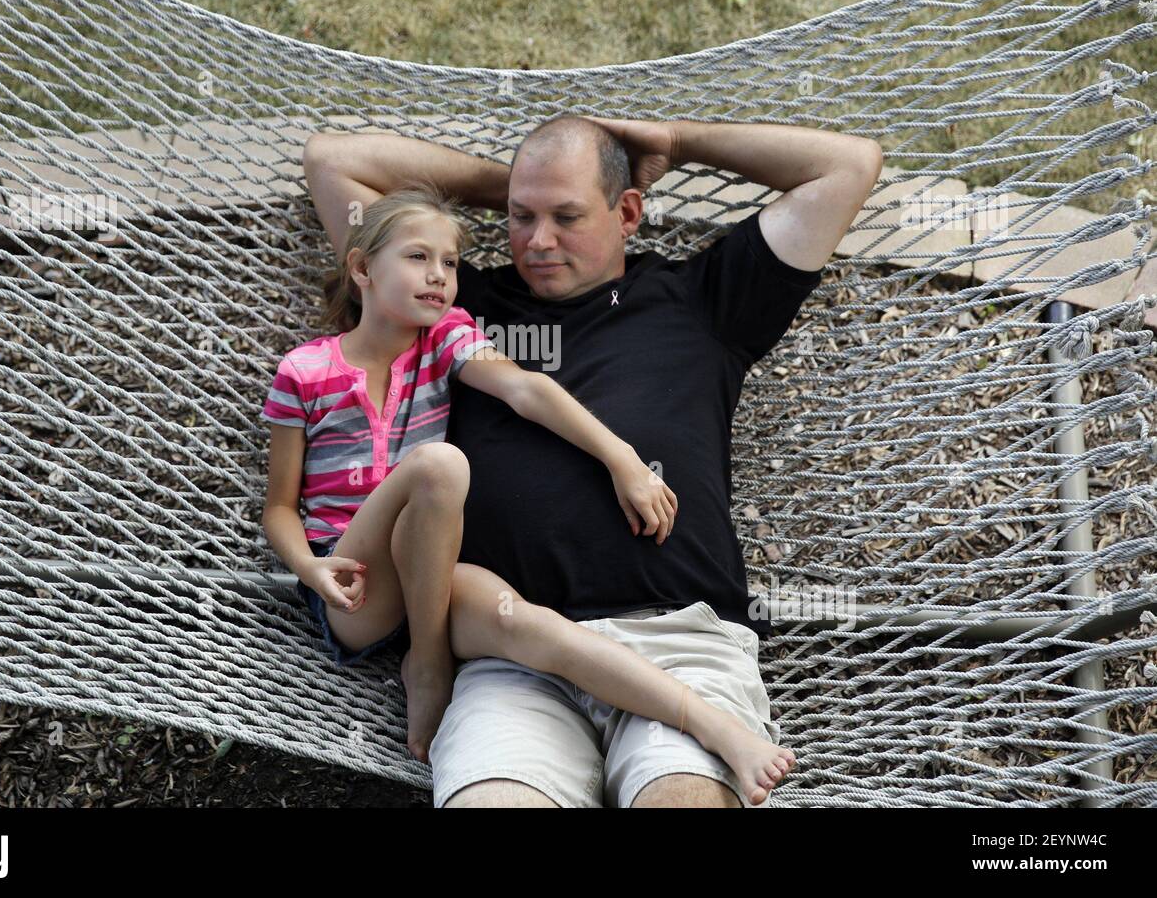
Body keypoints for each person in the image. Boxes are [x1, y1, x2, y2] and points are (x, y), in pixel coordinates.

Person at [302, 114, 883, 807]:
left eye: (568, 217)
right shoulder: (451, 312)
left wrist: (676, 143)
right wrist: (524, 182)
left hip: (677, 637)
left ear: (628, 212)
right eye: (522, 218)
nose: (538, 242)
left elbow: (847, 165)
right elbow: (333, 161)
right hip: (508, 652)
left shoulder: (704, 301)